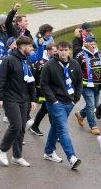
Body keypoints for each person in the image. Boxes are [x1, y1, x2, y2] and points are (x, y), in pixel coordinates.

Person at [38, 41, 83, 169]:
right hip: (55, 103)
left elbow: (79, 81)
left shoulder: (74, 64)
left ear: (69, 50)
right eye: (61, 50)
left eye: (66, 50)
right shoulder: (49, 65)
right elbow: (44, 84)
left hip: (70, 102)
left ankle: (49, 152)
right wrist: (53, 100)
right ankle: (72, 157)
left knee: (56, 126)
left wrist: (76, 98)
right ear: (57, 50)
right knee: (63, 128)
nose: (63, 53)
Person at [0, 35, 35, 168]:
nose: (32, 48)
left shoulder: (26, 61)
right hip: (10, 98)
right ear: (22, 47)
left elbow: (31, 81)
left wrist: (33, 99)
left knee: (21, 128)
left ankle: (17, 157)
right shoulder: (8, 60)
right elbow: (0, 79)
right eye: (30, 46)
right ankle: (2, 148)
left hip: (24, 99)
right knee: (16, 125)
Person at [75, 34, 101, 135]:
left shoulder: (99, 54)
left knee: (94, 105)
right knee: (91, 105)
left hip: (97, 84)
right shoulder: (80, 55)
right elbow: (75, 70)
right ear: (86, 44)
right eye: (91, 44)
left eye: (94, 43)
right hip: (86, 85)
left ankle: (80, 114)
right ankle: (93, 126)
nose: (93, 45)